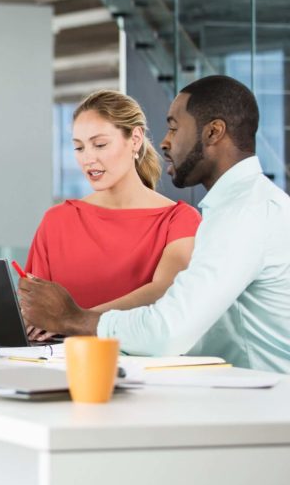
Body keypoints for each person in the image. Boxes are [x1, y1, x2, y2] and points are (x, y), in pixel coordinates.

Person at [19, 75, 290, 372]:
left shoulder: (244, 214)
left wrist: (72, 319)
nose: (164, 141)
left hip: (263, 402)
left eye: (174, 127)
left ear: (213, 132)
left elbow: (168, 331)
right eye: (79, 147)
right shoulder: (235, 209)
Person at [25, 90, 200, 316]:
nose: (88, 159)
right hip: (60, 352)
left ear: (135, 139)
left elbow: (166, 292)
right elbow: (35, 306)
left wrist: (74, 319)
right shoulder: (56, 221)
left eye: (99, 144)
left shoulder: (179, 221)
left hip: (138, 352)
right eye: (79, 147)